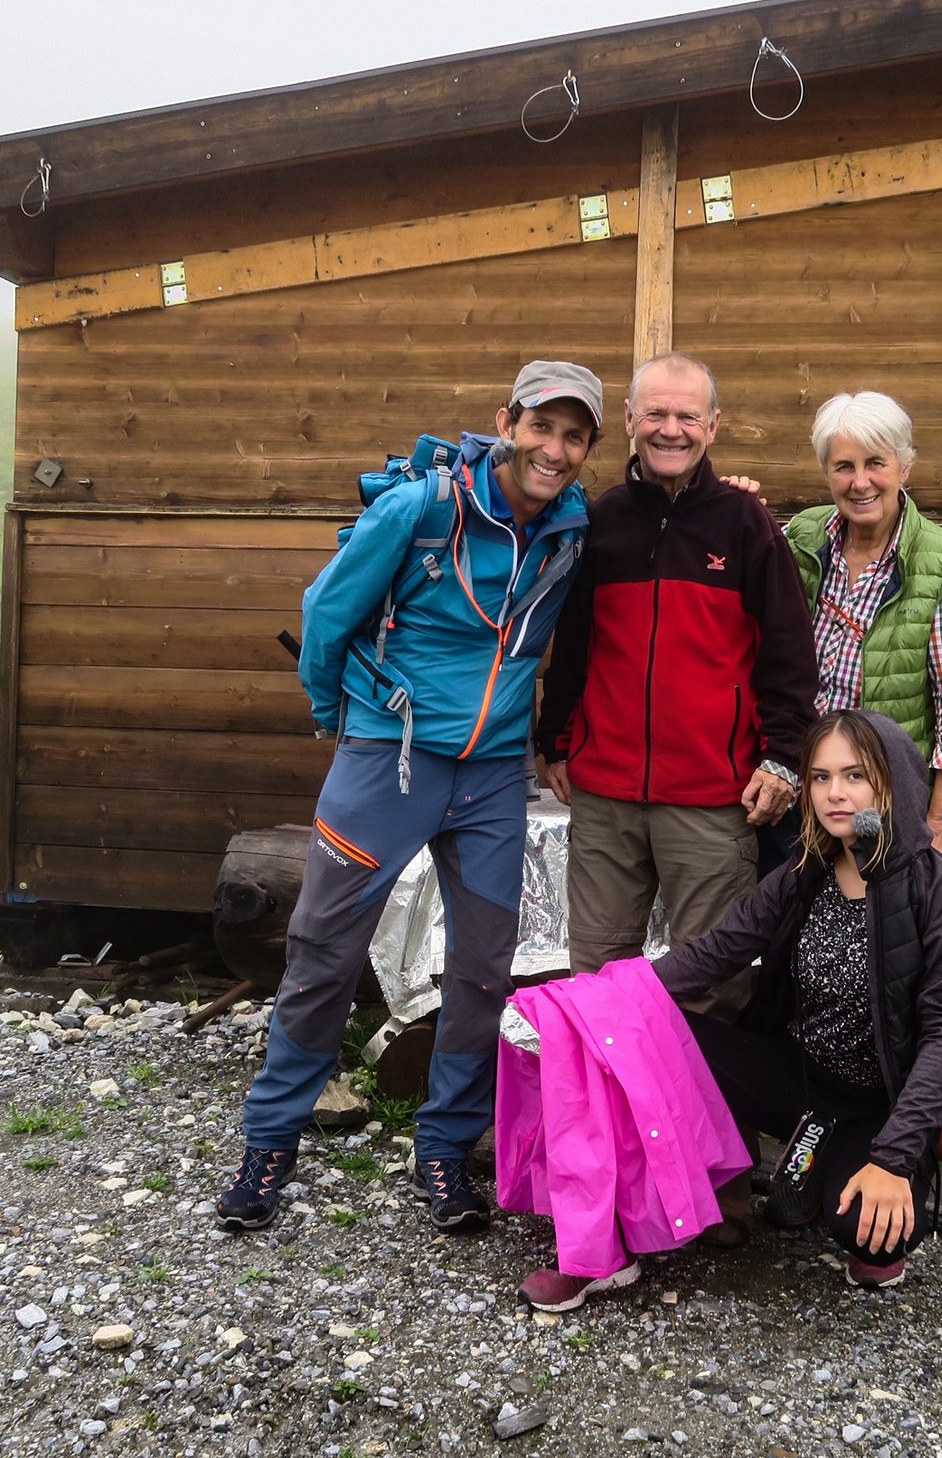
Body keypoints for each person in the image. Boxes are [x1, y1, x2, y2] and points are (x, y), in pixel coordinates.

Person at [214, 360, 602, 1235]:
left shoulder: (573, 528)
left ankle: (445, 1147)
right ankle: (270, 1141)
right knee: (322, 951)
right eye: (542, 426)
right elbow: (326, 612)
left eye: (575, 436)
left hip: (494, 776)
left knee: (483, 969)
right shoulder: (420, 508)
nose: (554, 448)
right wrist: (341, 716)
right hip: (387, 763)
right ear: (507, 421)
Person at [519, 709, 942, 1310]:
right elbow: (716, 953)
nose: (835, 793)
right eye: (820, 777)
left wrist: (894, 1159)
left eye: (855, 776)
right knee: (629, 1037)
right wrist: (596, 999)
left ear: (892, 781)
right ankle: (607, 1245)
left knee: (870, 1239)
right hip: (795, 1077)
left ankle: (822, 1176)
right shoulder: (805, 874)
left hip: (877, 1106)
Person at [534, 350, 818, 1020]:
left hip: (712, 799)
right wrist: (554, 740)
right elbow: (572, 644)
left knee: (714, 981)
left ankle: (708, 1094)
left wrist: (784, 756)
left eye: (688, 416)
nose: (671, 429)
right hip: (605, 796)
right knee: (599, 974)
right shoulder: (600, 521)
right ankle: (611, 1092)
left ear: (713, 425)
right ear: (629, 419)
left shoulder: (746, 524)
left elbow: (788, 655)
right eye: (656, 413)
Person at [783, 390, 942, 1166]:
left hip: (881, 803)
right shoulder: (804, 539)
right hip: (807, 789)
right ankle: (811, 1123)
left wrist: (940, 821)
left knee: (892, 960)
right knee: (803, 942)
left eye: (875, 462)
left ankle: (934, 1136)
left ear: (905, 465)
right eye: (843, 465)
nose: (859, 480)